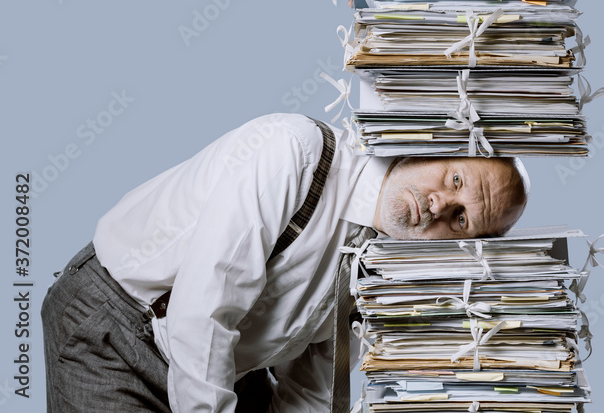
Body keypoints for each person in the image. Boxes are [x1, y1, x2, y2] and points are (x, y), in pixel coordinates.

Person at [41, 113, 529, 412]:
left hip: (226, 366)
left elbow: (313, 390)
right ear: (427, 146)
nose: (442, 204)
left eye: (463, 220)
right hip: (117, 329)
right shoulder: (294, 152)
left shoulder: (386, 274)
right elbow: (201, 313)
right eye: (456, 180)